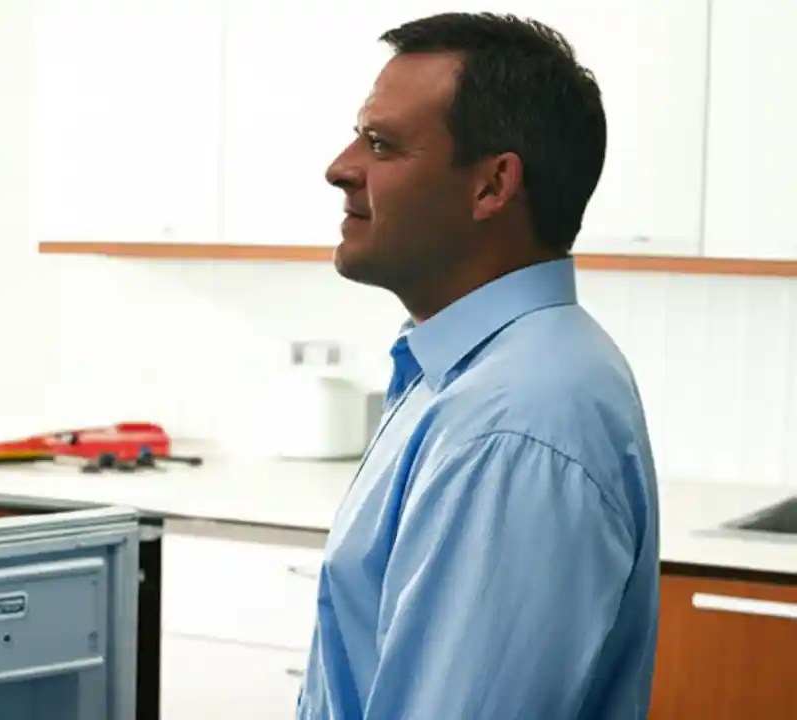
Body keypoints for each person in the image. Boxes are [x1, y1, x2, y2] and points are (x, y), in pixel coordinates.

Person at [298, 12, 659, 720]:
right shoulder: (460, 375)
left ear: (493, 186)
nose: (341, 167)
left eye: (381, 143)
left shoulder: (516, 424)